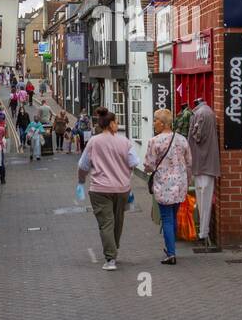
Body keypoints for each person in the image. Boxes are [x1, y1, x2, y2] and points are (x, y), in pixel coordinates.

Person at [77, 108, 140, 270]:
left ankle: (110, 259)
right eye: (116, 122)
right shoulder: (125, 142)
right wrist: (126, 175)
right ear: (111, 124)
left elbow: (83, 165)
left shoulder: (93, 142)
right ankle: (113, 249)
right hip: (121, 189)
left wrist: (81, 182)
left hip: (99, 189)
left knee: (106, 223)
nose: (117, 124)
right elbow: (134, 162)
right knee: (117, 221)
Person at [143, 108, 192, 265]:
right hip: (180, 185)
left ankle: (171, 253)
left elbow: (149, 165)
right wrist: (187, 179)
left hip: (164, 185)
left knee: (167, 219)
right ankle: (171, 248)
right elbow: (189, 162)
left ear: (163, 123)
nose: (153, 123)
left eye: (155, 120)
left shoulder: (154, 142)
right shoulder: (182, 140)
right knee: (173, 216)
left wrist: (149, 169)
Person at [188, 95, 219, 241]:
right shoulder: (205, 112)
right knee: (203, 199)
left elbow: (197, 136)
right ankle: (203, 232)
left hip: (204, 163)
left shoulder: (201, 113)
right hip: (204, 163)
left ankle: (204, 232)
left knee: (204, 199)